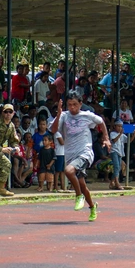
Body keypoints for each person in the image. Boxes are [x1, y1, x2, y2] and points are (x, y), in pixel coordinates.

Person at [51, 92, 111, 221]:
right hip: (70, 155)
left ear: (80, 104)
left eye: (75, 104)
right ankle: (92, 207)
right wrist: (59, 114)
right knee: (82, 184)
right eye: (69, 105)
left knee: (68, 171)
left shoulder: (87, 115)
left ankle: (78, 196)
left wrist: (106, 138)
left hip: (85, 153)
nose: (72, 107)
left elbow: (101, 122)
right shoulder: (64, 116)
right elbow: (53, 130)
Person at [0, 103, 20, 196]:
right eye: (6, 112)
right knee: (6, 164)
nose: (8, 114)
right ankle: (0, 188)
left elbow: (14, 140)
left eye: (10, 112)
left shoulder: (11, 126)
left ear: (13, 113)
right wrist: (2, 149)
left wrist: (16, 147)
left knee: (5, 164)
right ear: (2, 113)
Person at [108, 121, 127, 190]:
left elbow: (128, 141)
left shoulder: (122, 135)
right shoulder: (112, 133)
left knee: (118, 168)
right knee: (116, 166)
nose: (119, 128)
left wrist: (134, 134)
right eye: (118, 126)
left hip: (120, 152)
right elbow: (114, 140)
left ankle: (112, 182)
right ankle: (117, 183)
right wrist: (120, 134)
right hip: (114, 151)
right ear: (115, 126)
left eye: (121, 127)